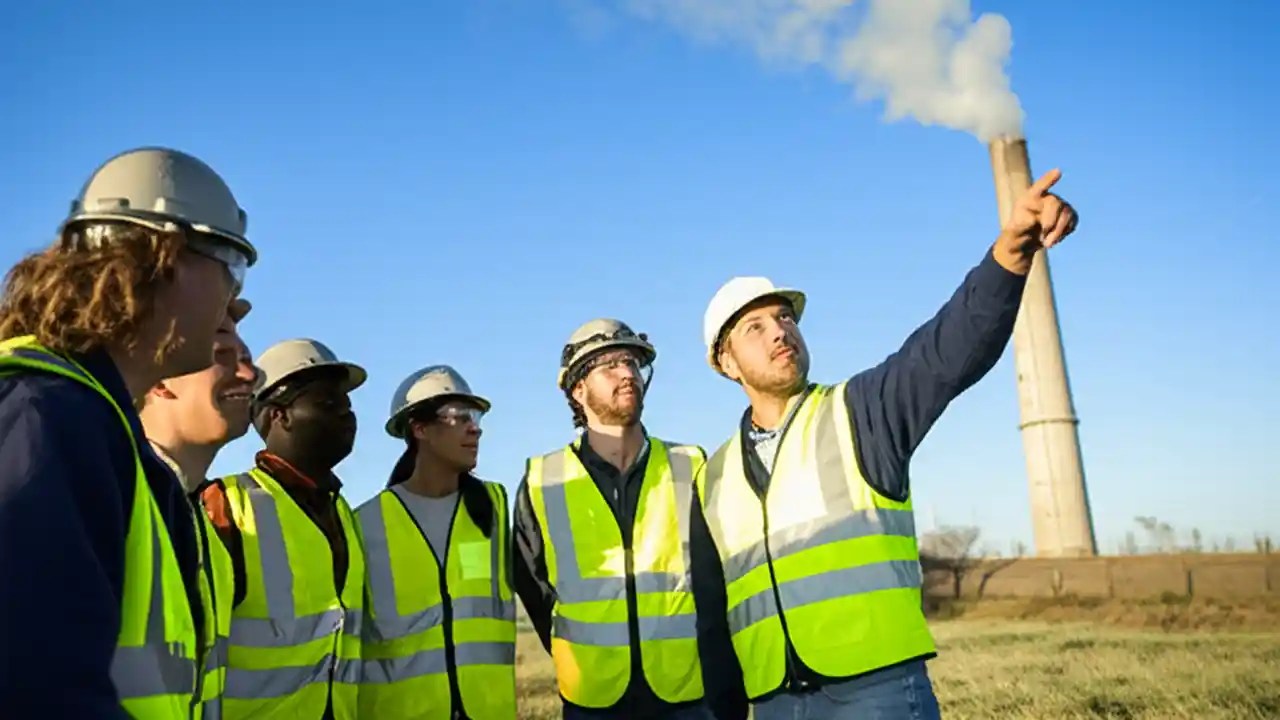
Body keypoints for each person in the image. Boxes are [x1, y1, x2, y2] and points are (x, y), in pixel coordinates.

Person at [696, 169, 1081, 719]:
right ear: (726, 362)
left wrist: (1011, 254)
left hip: (876, 694)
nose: (780, 331)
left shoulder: (861, 410)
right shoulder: (713, 476)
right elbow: (714, 613)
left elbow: (948, 348)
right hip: (774, 701)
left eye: (784, 317)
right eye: (754, 327)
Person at [0, 146, 256, 718]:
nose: (231, 298)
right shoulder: (46, 419)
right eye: (229, 266)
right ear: (164, 258)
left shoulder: (104, 433)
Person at [513, 319, 744, 720]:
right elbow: (535, 590)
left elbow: (715, 583)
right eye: (610, 366)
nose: (627, 374)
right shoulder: (542, 481)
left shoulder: (689, 464)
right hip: (592, 700)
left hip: (687, 696)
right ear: (578, 389)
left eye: (632, 363)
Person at [198, 338, 367, 719]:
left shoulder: (342, 514)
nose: (347, 415)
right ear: (279, 416)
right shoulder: (227, 506)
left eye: (348, 404)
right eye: (328, 403)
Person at [356, 365, 517, 719]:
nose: (476, 427)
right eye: (459, 417)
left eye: (474, 417)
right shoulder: (365, 524)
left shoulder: (495, 505)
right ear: (419, 428)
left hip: (489, 711)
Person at [139, 297, 259, 719]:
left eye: (246, 359)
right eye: (224, 356)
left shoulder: (204, 531)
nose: (251, 374)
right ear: (160, 377)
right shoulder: (109, 498)